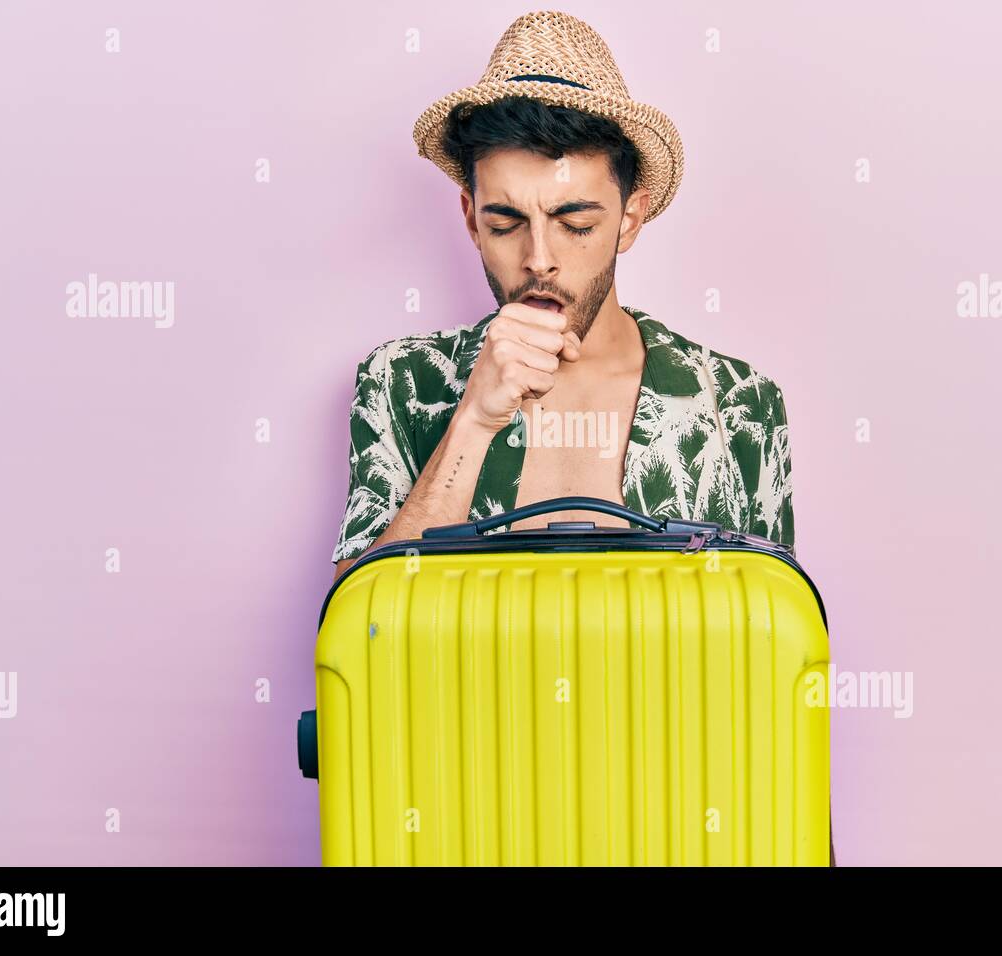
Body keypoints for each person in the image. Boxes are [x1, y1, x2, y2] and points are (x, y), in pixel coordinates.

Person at [331, 10, 828, 865]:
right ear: (466, 214)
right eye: (505, 223)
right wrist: (475, 420)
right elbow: (358, 641)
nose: (539, 260)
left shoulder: (737, 405)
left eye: (577, 221)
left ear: (631, 218)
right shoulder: (404, 384)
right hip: (459, 822)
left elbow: (773, 682)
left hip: (680, 832)